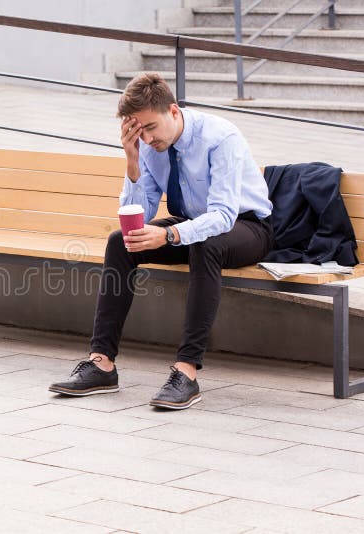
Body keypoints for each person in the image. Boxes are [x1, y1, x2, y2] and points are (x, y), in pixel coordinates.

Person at [49, 72, 274, 410]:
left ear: (173, 111)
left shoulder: (220, 138)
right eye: (139, 131)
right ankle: (101, 364)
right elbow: (137, 216)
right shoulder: (147, 146)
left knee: (206, 243)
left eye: (151, 128)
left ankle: (186, 372)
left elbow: (223, 216)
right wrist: (132, 161)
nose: (148, 138)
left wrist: (169, 234)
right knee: (121, 242)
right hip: (192, 225)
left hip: (247, 227)